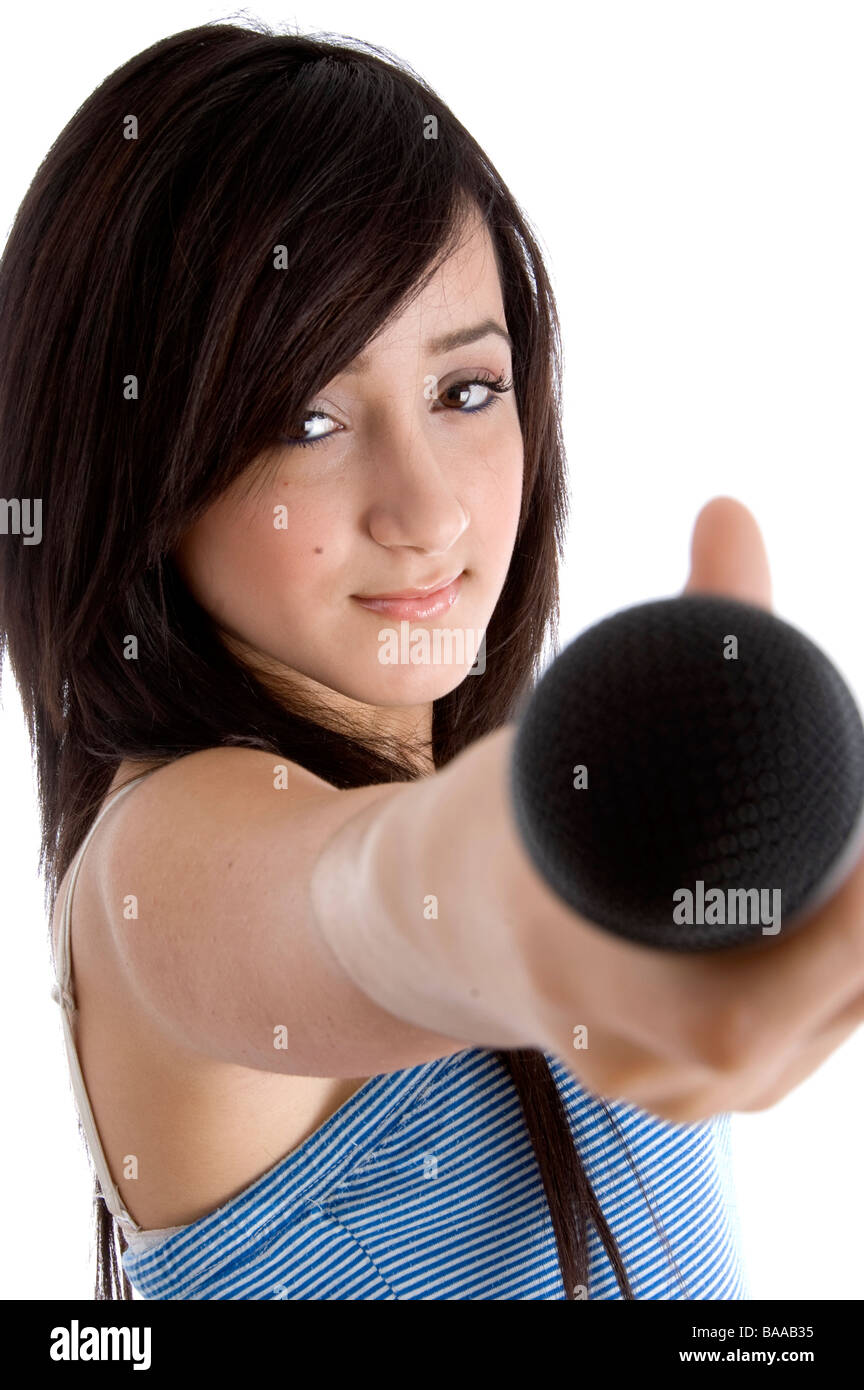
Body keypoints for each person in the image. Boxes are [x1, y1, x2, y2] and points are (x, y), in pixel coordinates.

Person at [2, 21, 863, 1303]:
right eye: (306, 417)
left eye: (466, 391)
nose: (429, 511)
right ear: (141, 476)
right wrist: (525, 903)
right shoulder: (158, 866)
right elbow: (361, 903)